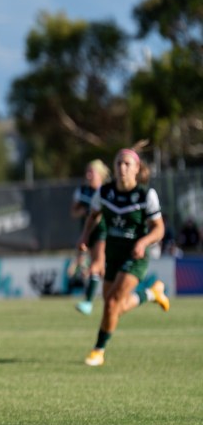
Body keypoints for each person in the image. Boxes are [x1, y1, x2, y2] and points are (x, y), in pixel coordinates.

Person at [79, 147, 170, 367]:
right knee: (112, 306)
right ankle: (150, 294)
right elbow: (93, 217)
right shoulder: (104, 192)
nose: (122, 168)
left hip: (135, 257)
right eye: (119, 163)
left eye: (127, 164)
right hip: (113, 254)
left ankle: (98, 350)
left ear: (137, 168)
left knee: (111, 304)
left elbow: (159, 229)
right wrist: (84, 238)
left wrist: (143, 241)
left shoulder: (145, 195)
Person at [70, 160, 109, 315]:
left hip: (102, 231)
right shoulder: (82, 191)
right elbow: (73, 212)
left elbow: (104, 215)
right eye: (87, 172)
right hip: (87, 233)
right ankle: (117, 290)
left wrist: (96, 215)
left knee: (96, 265)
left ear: (100, 174)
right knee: (100, 269)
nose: (88, 175)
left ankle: (88, 302)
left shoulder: (105, 191)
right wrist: (85, 212)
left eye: (91, 172)